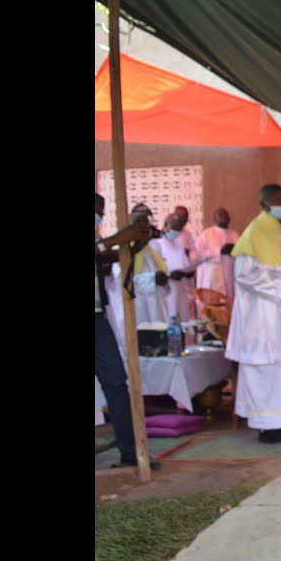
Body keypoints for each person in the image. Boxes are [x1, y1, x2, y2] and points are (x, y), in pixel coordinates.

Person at [227, 184, 281, 443]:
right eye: (278, 200)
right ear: (264, 205)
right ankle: (267, 425)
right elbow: (245, 276)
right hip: (261, 316)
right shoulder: (255, 233)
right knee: (265, 366)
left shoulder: (277, 230)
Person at [96, 193, 161, 470]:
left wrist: (135, 244)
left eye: (100, 211)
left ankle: (130, 451)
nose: (98, 216)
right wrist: (118, 238)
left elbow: (107, 255)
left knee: (116, 381)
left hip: (97, 317)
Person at [126, 204, 172, 324]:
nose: (144, 226)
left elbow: (162, 274)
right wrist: (152, 279)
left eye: (146, 222)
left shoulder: (154, 246)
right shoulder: (124, 248)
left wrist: (162, 279)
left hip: (157, 305)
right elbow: (121, 280)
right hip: (138, 306)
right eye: (139, 222)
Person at [153, 212, 197, 322]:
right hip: (165, 291)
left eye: (178, 229)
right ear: (166, 225)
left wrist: (185, 273)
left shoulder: (179, 244)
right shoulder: (156, 244)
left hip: (180, 289)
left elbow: (186, 265)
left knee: (181, 321)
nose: (175, 232)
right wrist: (169, 276)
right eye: (174, 228)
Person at [195, 208, 240, 297]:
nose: (223, 218)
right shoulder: (206, 234)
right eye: (220, 215)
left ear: (229, 218)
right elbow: (197, 253)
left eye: (225, 215)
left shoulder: (235, 235)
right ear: (214, 219)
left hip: (228, 275)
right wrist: (219, 251)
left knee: (227, 303)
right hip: (211, 274)